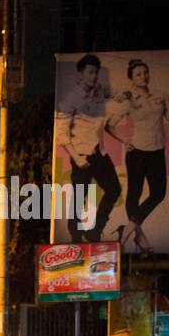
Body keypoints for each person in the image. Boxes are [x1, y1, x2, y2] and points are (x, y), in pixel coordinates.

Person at [105, 59, 169, 254]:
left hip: (157, 151)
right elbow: (109, 125)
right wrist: (124, 141)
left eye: (145, 72)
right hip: (137, 153)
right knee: (135, 194)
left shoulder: (160, 94)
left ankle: (128, 229)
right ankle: (139, 236)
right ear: (132, 78)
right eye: (138, 74)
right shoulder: (129, 98)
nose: (143, 76)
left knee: (158, 193)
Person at [57, 53, 121, 244]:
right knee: (79, 199)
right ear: (80, 75)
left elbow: (113, 92)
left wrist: (124, 95)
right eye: (91, 72)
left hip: (98, 153)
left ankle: (95, 230)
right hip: (81, 155)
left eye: (96, 73)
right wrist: (77, 158)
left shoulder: (99, 90)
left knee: (114, 190)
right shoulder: (69, 101)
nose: (94, 76)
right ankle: (75, 236)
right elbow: (61, 134)